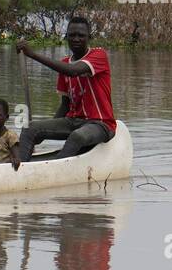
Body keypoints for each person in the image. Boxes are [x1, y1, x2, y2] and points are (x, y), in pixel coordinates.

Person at [14, 16, 115, 162]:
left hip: (100, 124)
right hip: (73, 121)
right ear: (66, 36)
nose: (76, 39)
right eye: (72, 35)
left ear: (89, 37)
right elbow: (65, 105)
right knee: (30, 129)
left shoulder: (98, 55)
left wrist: (33, 55)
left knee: (77, 136)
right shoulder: (65, 63)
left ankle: (54, 170)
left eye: (81, 35)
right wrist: (43, 132)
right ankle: (20, 169)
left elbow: (73, 71)